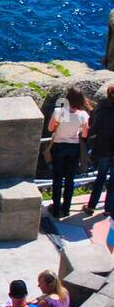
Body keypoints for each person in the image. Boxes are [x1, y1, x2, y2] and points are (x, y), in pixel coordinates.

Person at [48, 86, 91, 218]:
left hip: (59, 147)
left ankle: (55, 208)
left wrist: (58, 126)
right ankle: (66, 209)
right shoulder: (83, 115)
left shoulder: (59, 111)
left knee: (57, 178)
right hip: (73, 148)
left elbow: (50, 129)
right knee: (69, 180)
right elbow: (84, 134)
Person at [86, 84, 114, 214]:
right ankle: (109, 209)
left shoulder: (102, 112)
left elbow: (93, 130)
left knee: (101, 177)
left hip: (103, 150)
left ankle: (91, 206)